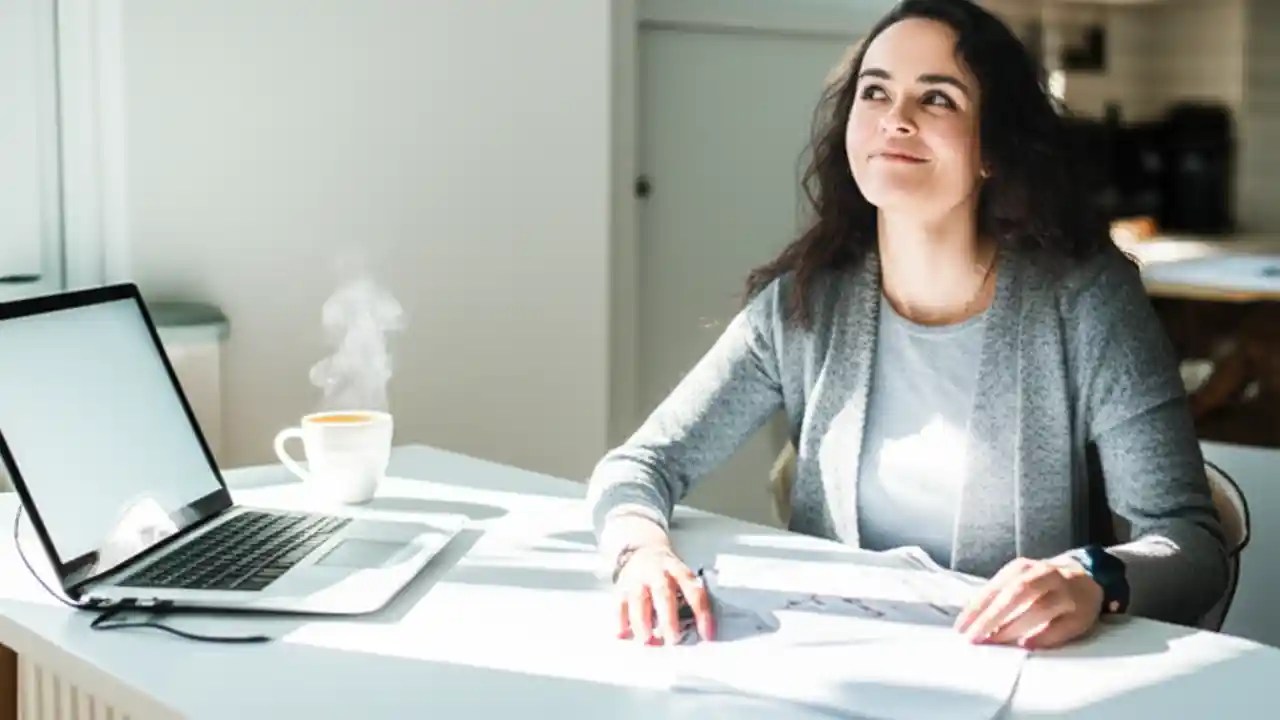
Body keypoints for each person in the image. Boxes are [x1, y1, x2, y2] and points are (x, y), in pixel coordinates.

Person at [586, 0, 1228, 651]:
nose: (896, 119)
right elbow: (639, 466)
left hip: (1025, 681)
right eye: (875, 92)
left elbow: (1193, 546)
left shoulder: (1089, 303)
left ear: (993, 149)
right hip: (838, 669)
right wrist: (640, 555)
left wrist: (1090, 576)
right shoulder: (801, 304)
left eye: (938, 99)